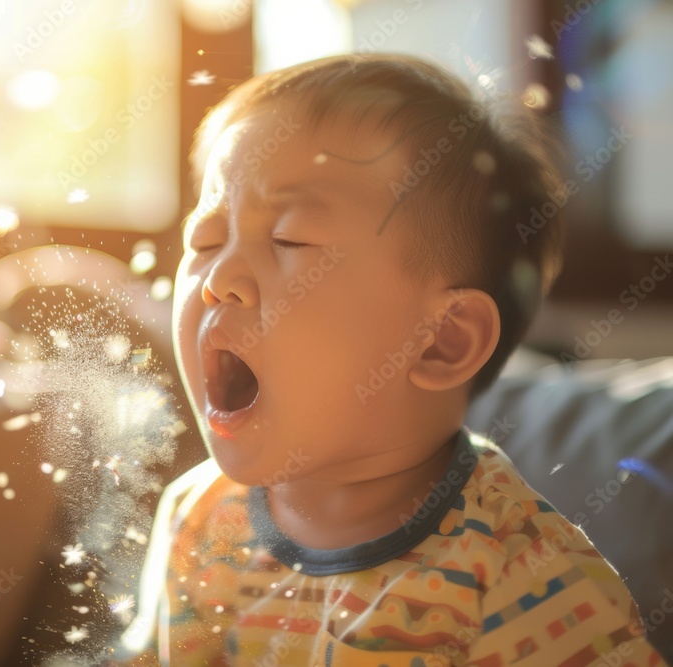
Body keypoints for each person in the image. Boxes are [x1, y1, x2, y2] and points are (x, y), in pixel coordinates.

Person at [115, 53, 669, 666]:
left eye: (290, 239)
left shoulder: (523, 575)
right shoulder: (200, 518)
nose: (219, 279)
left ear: (442, 340)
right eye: (207, 241)